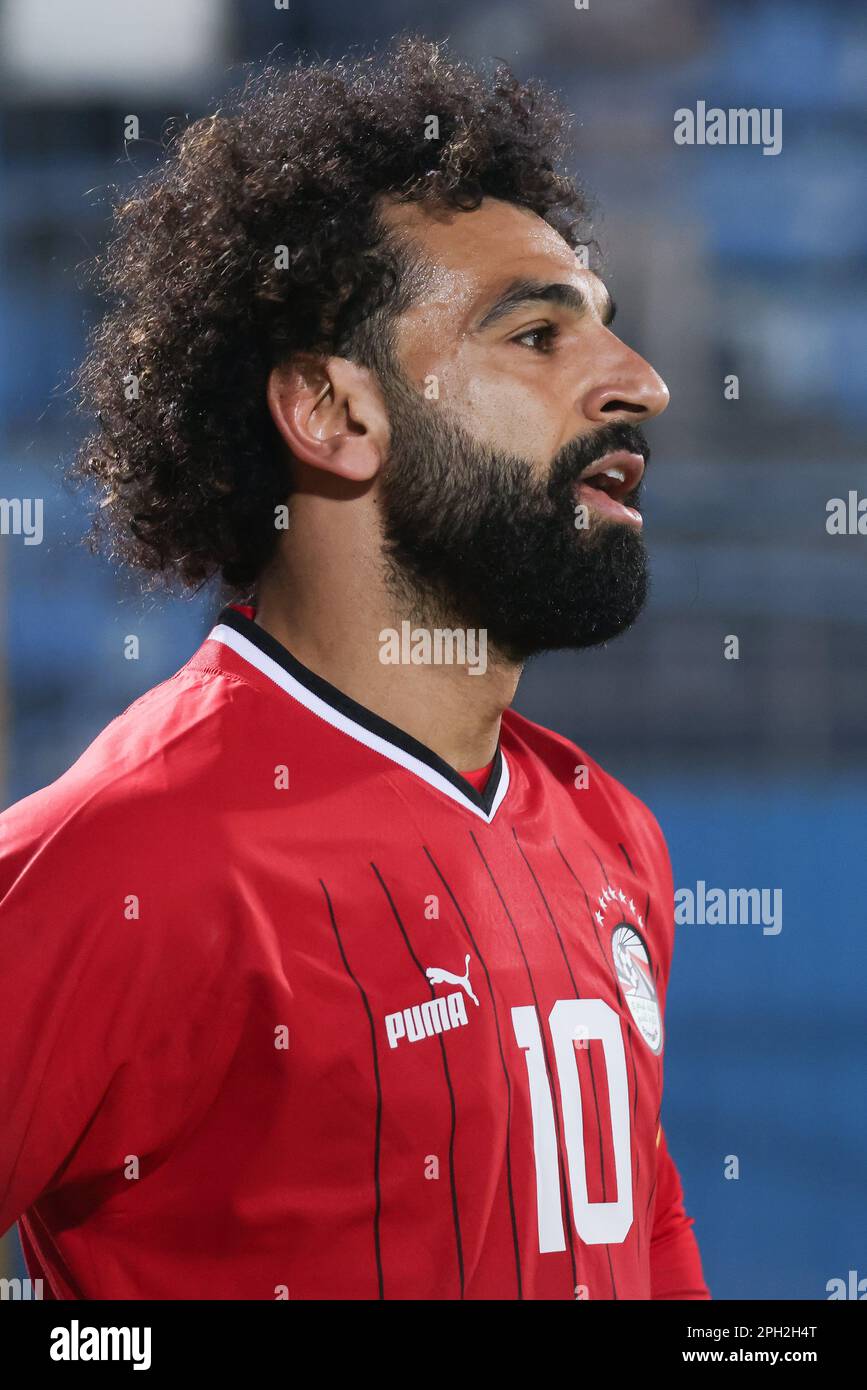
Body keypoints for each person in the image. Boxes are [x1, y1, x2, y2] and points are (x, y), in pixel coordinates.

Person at [0, 37, 708, 1300]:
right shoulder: (129, 861)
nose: (639, 383)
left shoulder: (614, 840)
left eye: (608, 328)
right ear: (332, 412)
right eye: (538, 335)